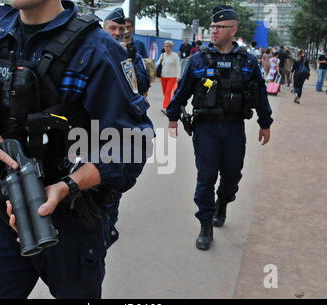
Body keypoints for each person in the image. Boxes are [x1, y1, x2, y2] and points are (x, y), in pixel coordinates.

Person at [0, 0, 153, 299]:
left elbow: (130, 145)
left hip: (74, 220)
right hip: (1, 216)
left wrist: (67, 186)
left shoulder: (97, 50)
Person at [166, 5, 273, 251]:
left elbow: (260, 95)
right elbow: (181, 92)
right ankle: (205, 224)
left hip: (234, 128)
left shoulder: (247, 61)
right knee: (205, 178)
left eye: (219, 27)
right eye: (212, 26)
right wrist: (173, 117)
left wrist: (264, 123)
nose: (213, 30)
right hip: (206, 129)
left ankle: (222, 203)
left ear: (233, 29)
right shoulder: (198, 59)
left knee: (232, 175)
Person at [103, 8, 150, 96]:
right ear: (103, 29)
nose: (117, 33)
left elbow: (142, 86)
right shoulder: (95, 51)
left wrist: (129, 59)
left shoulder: (134, 53)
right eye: (112, 28)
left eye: (121, 29)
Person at [159, 40, 181, 114]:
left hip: (172, 76)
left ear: (171, 47)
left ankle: (165, 107)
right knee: (165, 92)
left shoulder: (175, 55)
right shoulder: (162, 55)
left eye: (168, 46)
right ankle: (169, 103)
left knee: (168, 92)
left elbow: (178, 66)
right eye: (165, 46)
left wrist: (178, 76)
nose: (166, 47)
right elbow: (158, 64)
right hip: (163, 76)